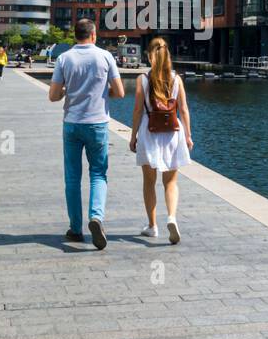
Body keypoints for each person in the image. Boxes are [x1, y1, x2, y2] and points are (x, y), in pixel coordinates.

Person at [48, 18, 125, 249]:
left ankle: (75, 228)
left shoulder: (64, 58)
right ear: (93, 35)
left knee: (72, 178)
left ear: (75, 35)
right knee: (98, 174)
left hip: (72, 123)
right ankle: (96, 217)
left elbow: (53, 95)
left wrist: (67, 91)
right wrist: (102, 91)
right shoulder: (105, 56)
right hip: (98, 123)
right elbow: (120, 92)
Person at [128, 37, 192, 244]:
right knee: (171, 181)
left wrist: (133, 136)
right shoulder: (177, 79)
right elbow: (183, 110)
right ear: (168, 56)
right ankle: (172, 217)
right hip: (173, 133)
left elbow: (138, 110)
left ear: (149, 55)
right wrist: (189, 136)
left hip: (149, 132)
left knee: (149, 182)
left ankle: (152, 226)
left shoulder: (142, 79)